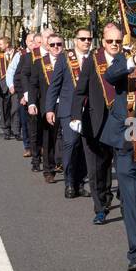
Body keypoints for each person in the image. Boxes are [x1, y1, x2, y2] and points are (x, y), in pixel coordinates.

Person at [89, 24, 136, 270]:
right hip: (128, 134)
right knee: (131, 197)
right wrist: (131, 60)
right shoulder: (121, 61)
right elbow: (110, 77)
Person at [72, 29, 116, 224]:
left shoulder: (126, 61)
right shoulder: (92, 61)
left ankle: (106, 196)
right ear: (104, 43)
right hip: (93, 122)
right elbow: (80, 90)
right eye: (110, 41)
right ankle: (99, 208)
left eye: (118, 41)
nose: (114, 44)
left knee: (107, 164)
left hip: (117, 125)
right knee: (93, 168)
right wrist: (75, 117)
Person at [49, 28, 93, 199]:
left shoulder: (94, 58)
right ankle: (69, 182)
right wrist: (50, 109)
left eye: (89, 38)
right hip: (68, 110)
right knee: (71, 144)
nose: (86, 42)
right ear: (75, 40)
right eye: (83, 39)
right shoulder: (65, 57)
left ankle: (80, 183)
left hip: (88, 110)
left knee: (84, 148)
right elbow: (55, 85)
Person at [19, 32, 59, 183]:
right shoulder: (33, 58)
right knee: (41, 134)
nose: (54, 45)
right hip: (41, 102)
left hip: (62, 104)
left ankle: (57, 163)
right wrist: (30, 100)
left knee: (60, 138)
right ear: (43, 41)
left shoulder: (64, 60)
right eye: (49, 40)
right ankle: (41, 163)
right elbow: (29, 80)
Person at [0, 37, 16, 139]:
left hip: (15, 86)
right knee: (4, 109)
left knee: (15, 109)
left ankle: (15, 129)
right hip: (3, 86)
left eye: (0, 44)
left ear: (7, 44)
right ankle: (6, 130)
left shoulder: (17, 53)